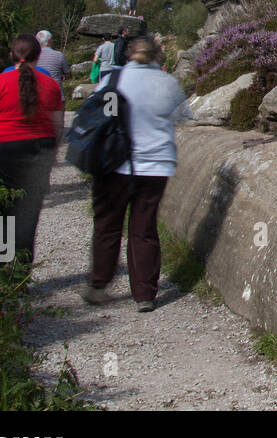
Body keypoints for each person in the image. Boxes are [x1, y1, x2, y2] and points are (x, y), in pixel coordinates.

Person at [82, 37, 193, 313]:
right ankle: (144, 294)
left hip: (117, 165)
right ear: (157, 56)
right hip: (155, 165)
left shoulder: (114, 79)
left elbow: (104, 116)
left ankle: (99, 285)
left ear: (128, 55)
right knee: (144, 229)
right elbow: (182, 117)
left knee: (107, 226)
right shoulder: (168, 83)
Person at [0, 34, 64, 261]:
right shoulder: (50, 85)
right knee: (29, 214)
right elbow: (58, 126)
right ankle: (20, 276)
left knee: (0, 210)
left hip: (3, 150)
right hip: (40, 150)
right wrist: (53, 154)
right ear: (38, 57)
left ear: (12, 56)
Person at [35, 30, 71, 95]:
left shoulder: (33, 57)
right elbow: (68, 75)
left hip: (39, 95)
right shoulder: (59, 55)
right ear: (49, 41)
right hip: (56, 93)